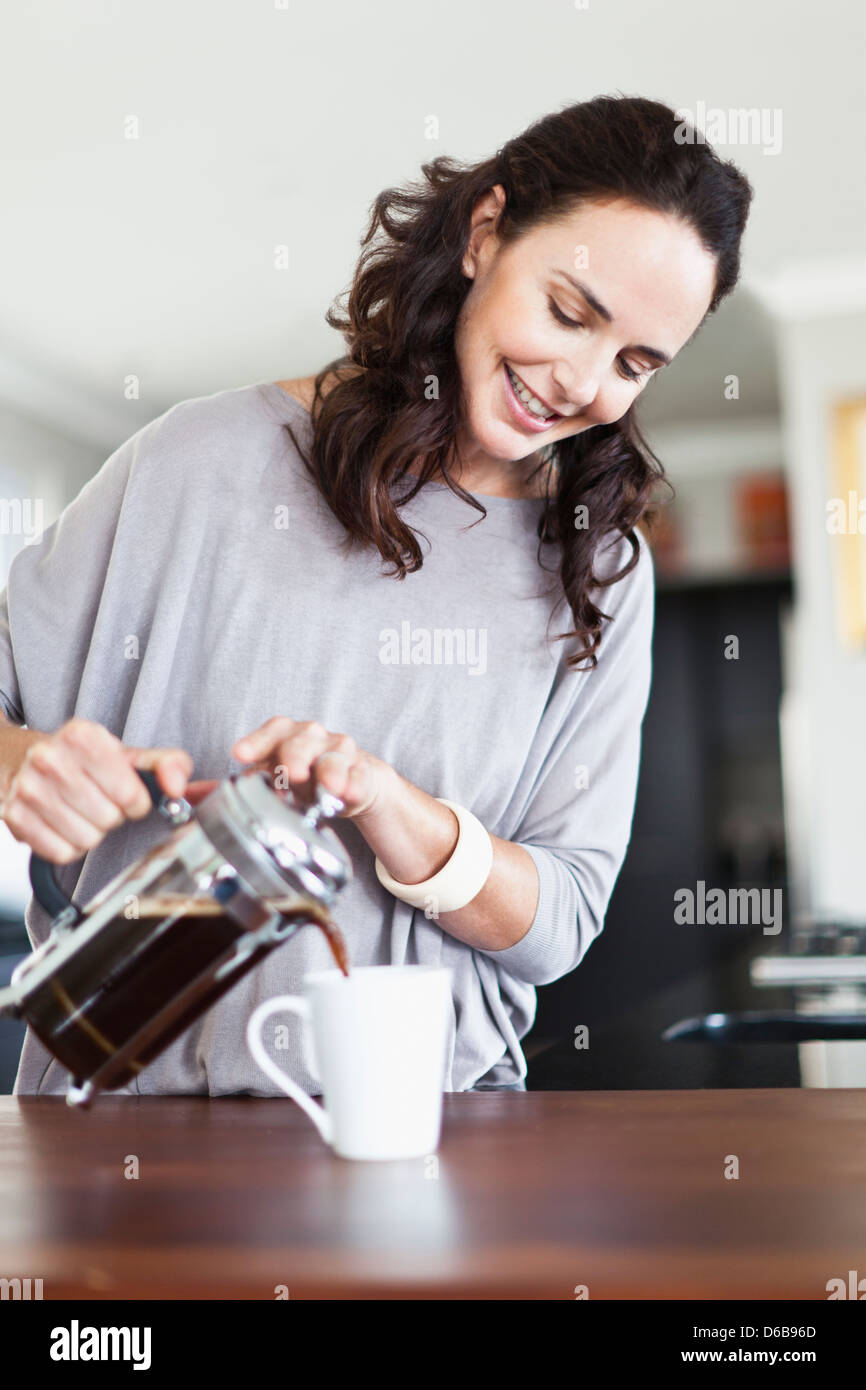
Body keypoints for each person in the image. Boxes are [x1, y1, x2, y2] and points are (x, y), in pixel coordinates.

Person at [0, 95, 753, 1096]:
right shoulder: (193, 465)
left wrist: (396, 809)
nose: (578, 382)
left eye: (631, 364)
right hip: (118, 1130)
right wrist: (23, 762)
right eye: (568, 312)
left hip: (427, 1132)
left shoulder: (597, 570)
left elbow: (558, 921)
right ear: (486, 233)